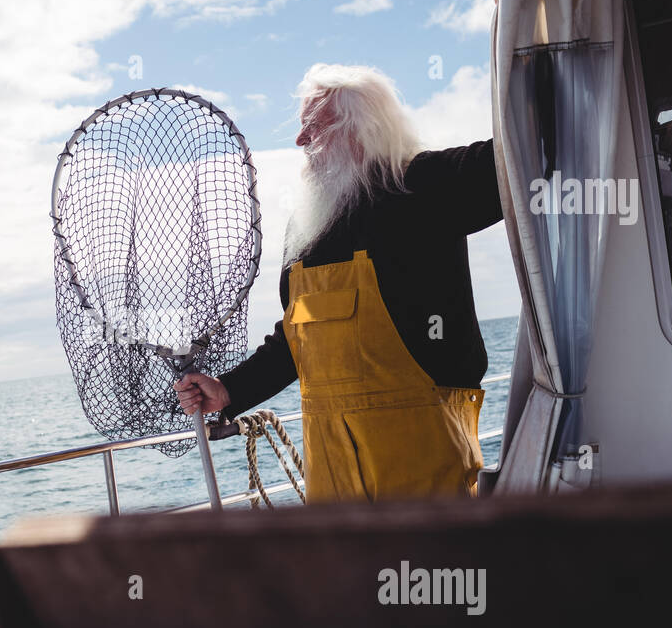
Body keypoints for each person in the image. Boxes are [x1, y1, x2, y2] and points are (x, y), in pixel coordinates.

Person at [174, 63, 502, 502]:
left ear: (360, 129)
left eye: (313, 126)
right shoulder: (308, 226)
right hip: (332, 480)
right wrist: (230, 390)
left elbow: (520, 156)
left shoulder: (423, 186)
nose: (300, 140)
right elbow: (297, 336)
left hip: (421, 467)